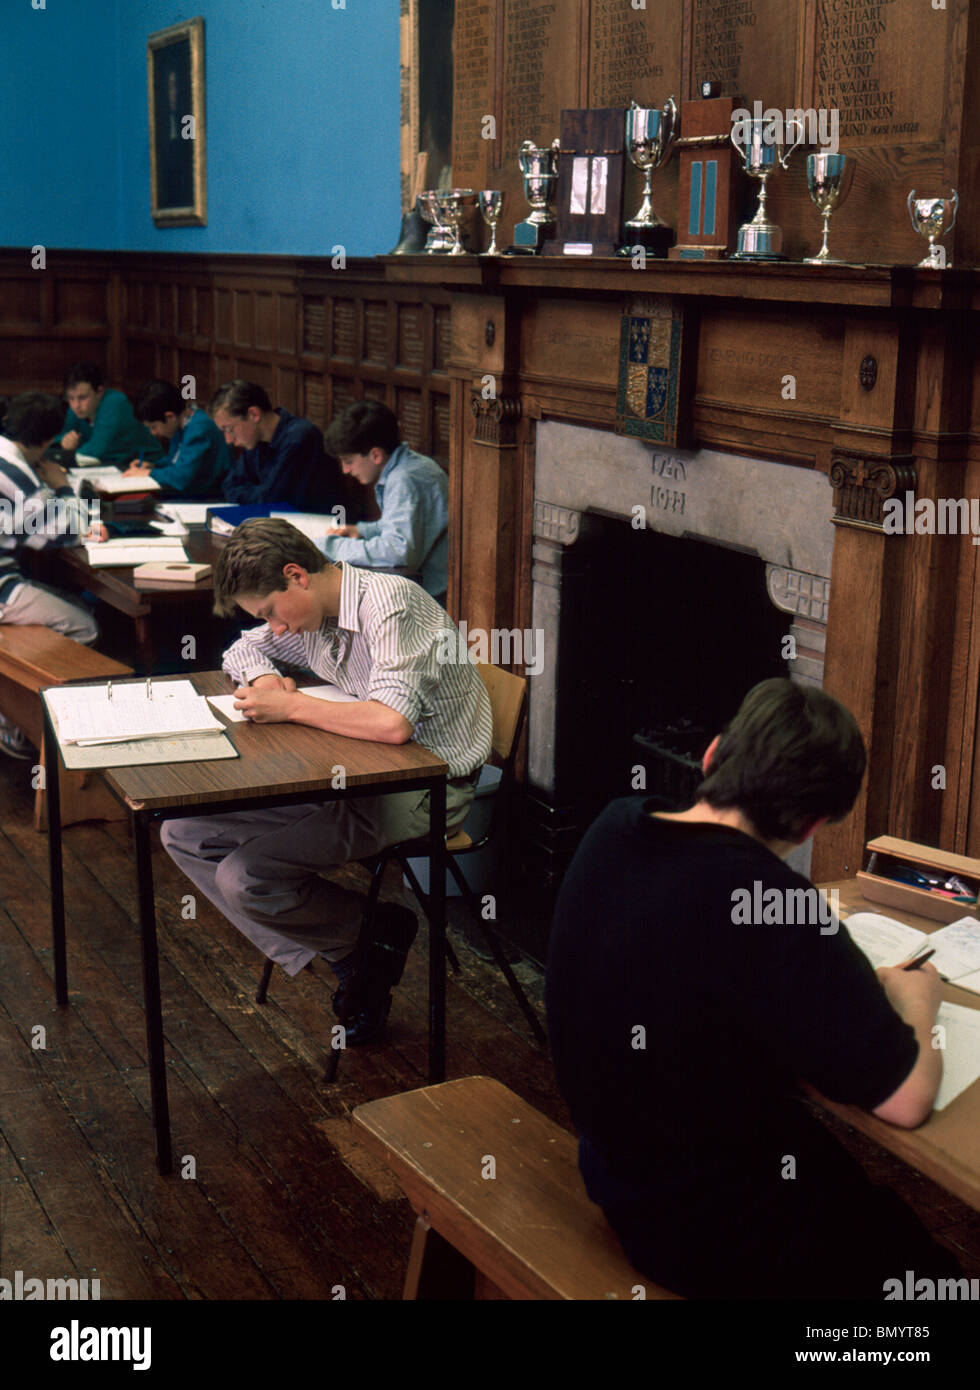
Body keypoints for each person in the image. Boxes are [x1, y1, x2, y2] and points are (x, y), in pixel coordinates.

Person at [546, 678, 962, 1300]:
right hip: (712, 1232)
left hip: (620, 1169)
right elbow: (905, 1102)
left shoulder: (616, 825)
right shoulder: (779, 906)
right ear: (816, 822)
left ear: (712, 755)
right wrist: (918, 1003)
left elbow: (706, 974)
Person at [159, 518, 492, 1042]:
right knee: (183, 833)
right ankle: (357, 945)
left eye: (271, 612)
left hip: (424, 786)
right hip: (352, 772)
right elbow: (242, 650)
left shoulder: (390, 606)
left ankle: (366, 941)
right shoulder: (315, 614)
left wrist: (290, 704)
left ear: (297, 575)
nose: (276, 627)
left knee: (244, 877)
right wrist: (267, 679)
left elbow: (391, 722)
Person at [0, 392, 107, 758]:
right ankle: (16, 722)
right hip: (1, 589)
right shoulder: (16, 474)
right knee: (85, 624)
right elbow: (69, 530)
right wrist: (62, 485)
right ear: (47, 440)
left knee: (67, 602)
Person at [321, 400, 449, 605]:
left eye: (349, 461)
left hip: (434, 599)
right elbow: (397, 527)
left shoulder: (404, 479)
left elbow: (398, 551)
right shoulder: (407, 465)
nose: (345, 470)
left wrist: (330, 546)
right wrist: (361, 531)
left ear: (376, 455)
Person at [212, 380, 343, 513]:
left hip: (322, 527)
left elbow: (271, 502)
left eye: (229, 429)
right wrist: (261, 493)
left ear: (253, 415)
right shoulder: (255, 440)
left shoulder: (300, 438)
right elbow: (230, 486)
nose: (228, 440)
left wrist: (257, 493)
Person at [123, 380, 231, 496]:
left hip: (207, 497)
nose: (153, 433)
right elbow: (176, 460)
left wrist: (149, 473)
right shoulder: (182, 422)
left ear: (170, 417)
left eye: (153, 427)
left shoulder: (199, 429)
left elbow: (180, 477)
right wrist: (154, 465)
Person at [54, 362, 163, 466]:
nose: (76, 405)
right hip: (111, 465)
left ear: (100, 391)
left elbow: (96, 450)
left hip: (147, 464)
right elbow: (56, 437)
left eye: (82, 398)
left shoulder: (115, 402)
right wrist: (63, 441)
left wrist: (68, 453)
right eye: (70, 398)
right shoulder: (77, 408)